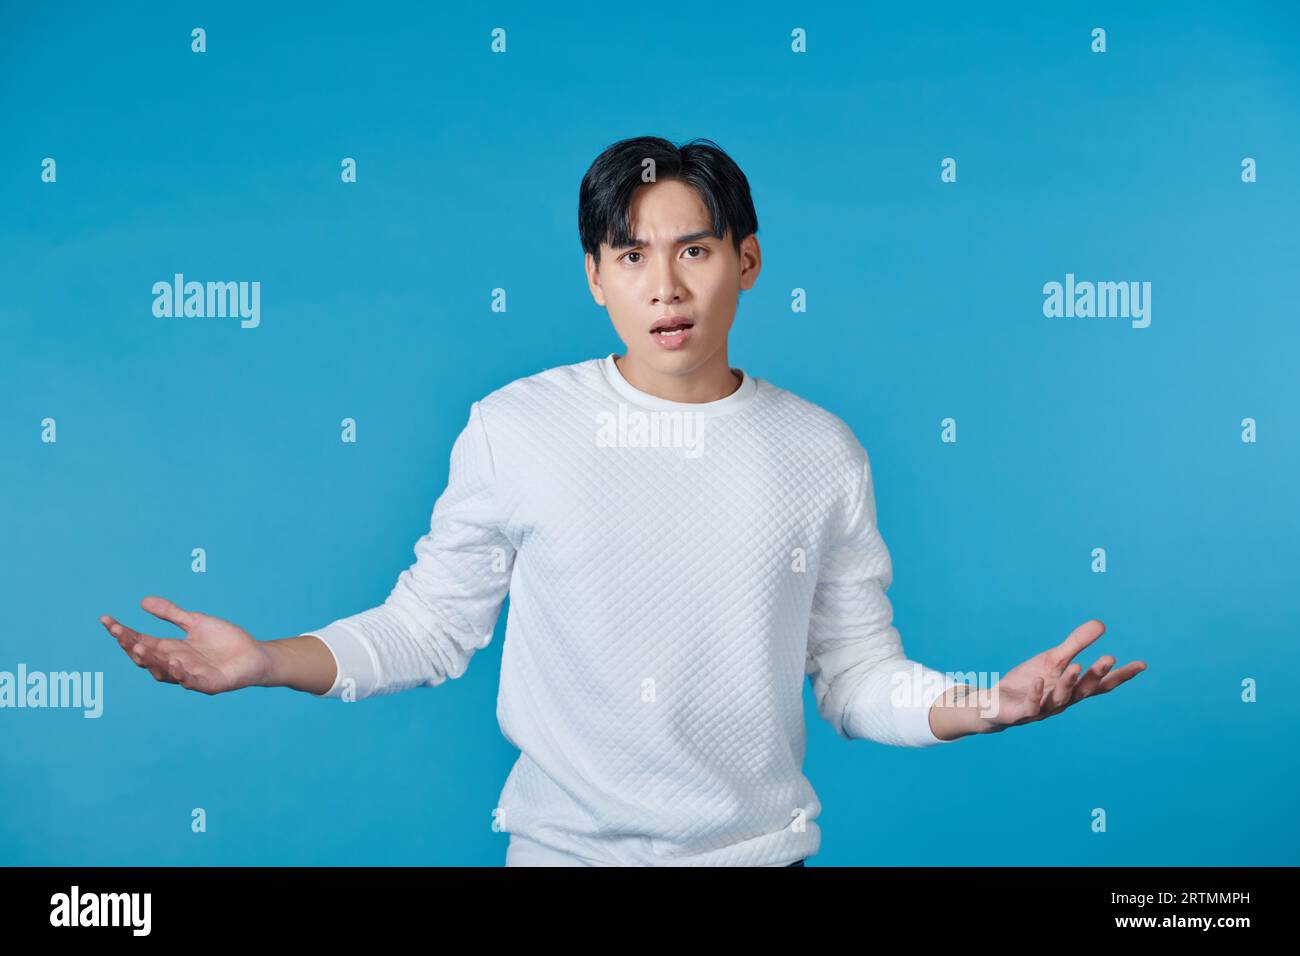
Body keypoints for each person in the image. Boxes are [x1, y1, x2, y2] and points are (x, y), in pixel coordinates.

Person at [100, 136, 1146, 867]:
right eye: (632, 256)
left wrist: (987, 702)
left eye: (695, 250)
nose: (665, 286)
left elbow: (858, 678)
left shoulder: (821, 451)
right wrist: (265, 659)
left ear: (747, 260)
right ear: (596, 277)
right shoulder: (516, 427)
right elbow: (428, 629)